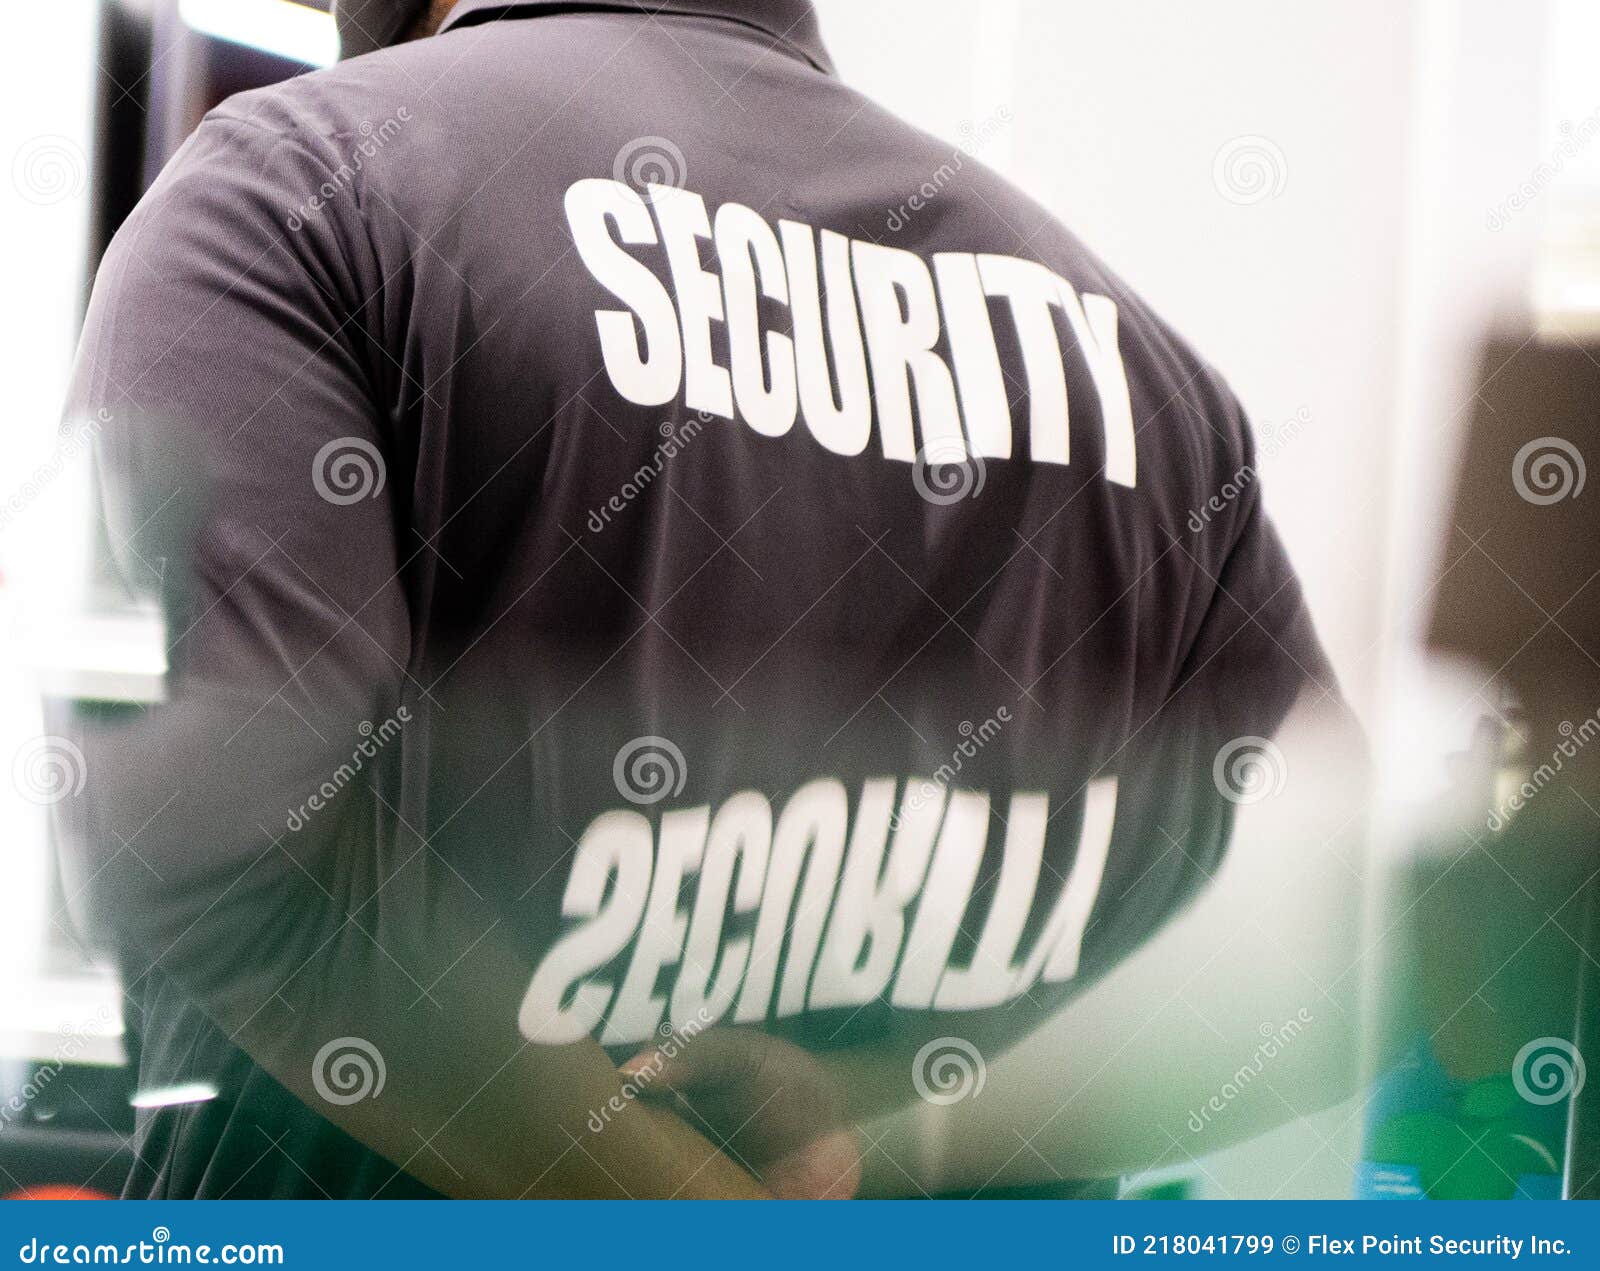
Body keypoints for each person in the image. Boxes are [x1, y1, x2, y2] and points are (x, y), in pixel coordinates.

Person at [55, 0, 1344, 1198]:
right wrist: (886, 1135)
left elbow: (218, 849)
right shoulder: (1141, 369)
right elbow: (1356, 958)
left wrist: (685, 1214)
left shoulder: (292, 192)